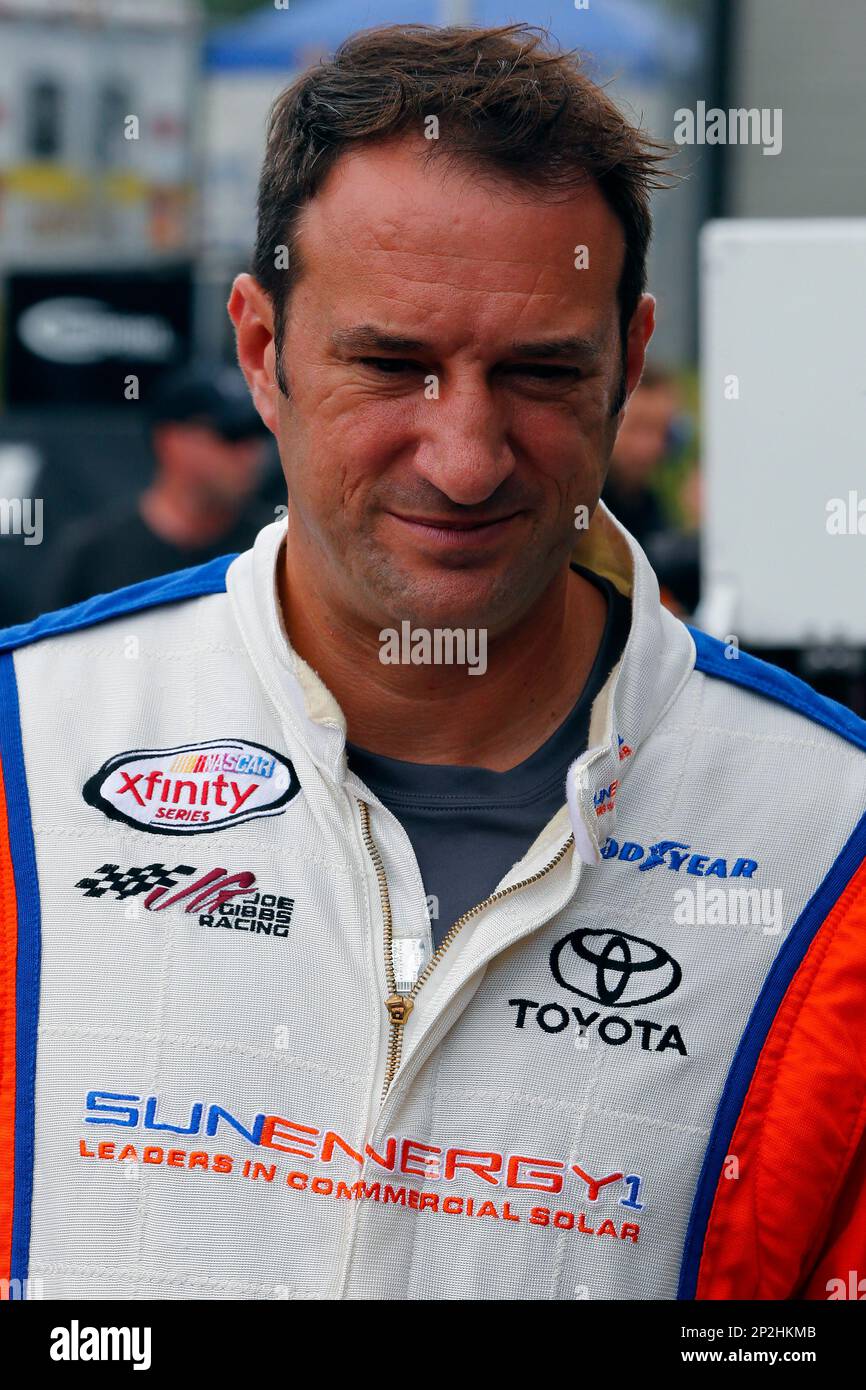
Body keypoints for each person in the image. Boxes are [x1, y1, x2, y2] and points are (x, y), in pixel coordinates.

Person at [0, 24, 864, 1303]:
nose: (463, 460)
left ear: (627, 364)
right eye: (391, 364)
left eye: (539, 373)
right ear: (261, 352)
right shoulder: (26, 748)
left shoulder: (831, 841)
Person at [36, 363, 273, 609]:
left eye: (259, 435)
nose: (251, 454)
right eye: (232, 435)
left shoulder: (272, 548)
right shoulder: (95, 555)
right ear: (171, 441)